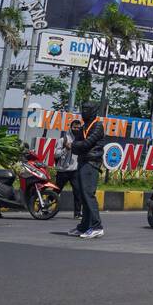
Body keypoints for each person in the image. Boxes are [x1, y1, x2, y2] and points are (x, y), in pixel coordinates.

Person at [69, 102, 106, 239]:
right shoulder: (85, 126)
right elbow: (75, 146)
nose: (83, 112)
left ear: (94, 110)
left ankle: (97, 226)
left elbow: (85, 144)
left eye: (87, 110)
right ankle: (84, 226)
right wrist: (78, 145)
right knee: (83, 196)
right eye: (82, 109)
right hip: (82, 162)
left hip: (91, 163)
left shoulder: (97, 126)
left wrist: (78, 145)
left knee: (88, 195)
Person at [52, 129, 80, 220]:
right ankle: (45, 208)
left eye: (78, 127)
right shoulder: (62, 140)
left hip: (74, 170)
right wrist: (66, 149)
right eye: (75, 127)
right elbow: (56, 154)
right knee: (56, 191)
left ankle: (77, 213)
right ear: (71, 128)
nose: (77, 129)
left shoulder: (80, 141)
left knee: (77, 191)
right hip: (62, 171)